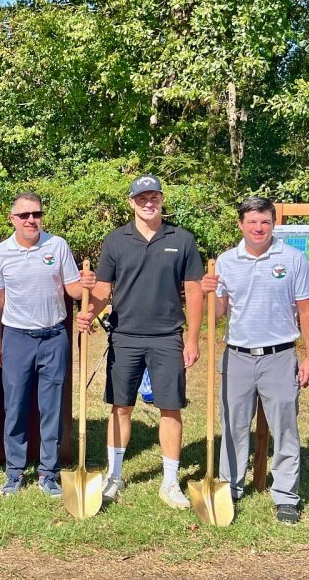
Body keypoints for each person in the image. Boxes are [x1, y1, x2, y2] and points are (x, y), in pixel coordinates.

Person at [76, 175, 203, 510]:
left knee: (170, 408)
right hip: (125, 336)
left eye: (154, 197)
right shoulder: (116, 240)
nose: (149, 203)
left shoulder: (183, 239)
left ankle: (170, 481)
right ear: (131, 202)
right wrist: (89, 312)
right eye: (142, 197)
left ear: (162, 200)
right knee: (121, 407)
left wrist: (192, 338)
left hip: (167, 337)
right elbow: (103, 291)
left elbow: (193, 292)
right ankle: (114, 477)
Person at [200, 196, 309, 524]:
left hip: (279, 356)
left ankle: (285, 498)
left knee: (285, 429)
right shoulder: (225, 262)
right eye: (251, 222)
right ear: (240, 224)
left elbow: (307, 312)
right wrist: (208, 291)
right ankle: (229, 488)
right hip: (237, 356)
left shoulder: (293, 259)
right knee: (234, 427)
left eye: (264, 222)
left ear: (273, 223)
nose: (258, 228)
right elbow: (219, 313)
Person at [0, 193, 93, 497]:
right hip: (17, 338)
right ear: (12, 219)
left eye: (36, 214)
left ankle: (49, 473)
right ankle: (14, 472)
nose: (31, 220)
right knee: (16, 406)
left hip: (53, 337)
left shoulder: (57, 245)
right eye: (24, 215)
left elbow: (72, 288)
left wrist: (85, 287)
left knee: (52, 408)